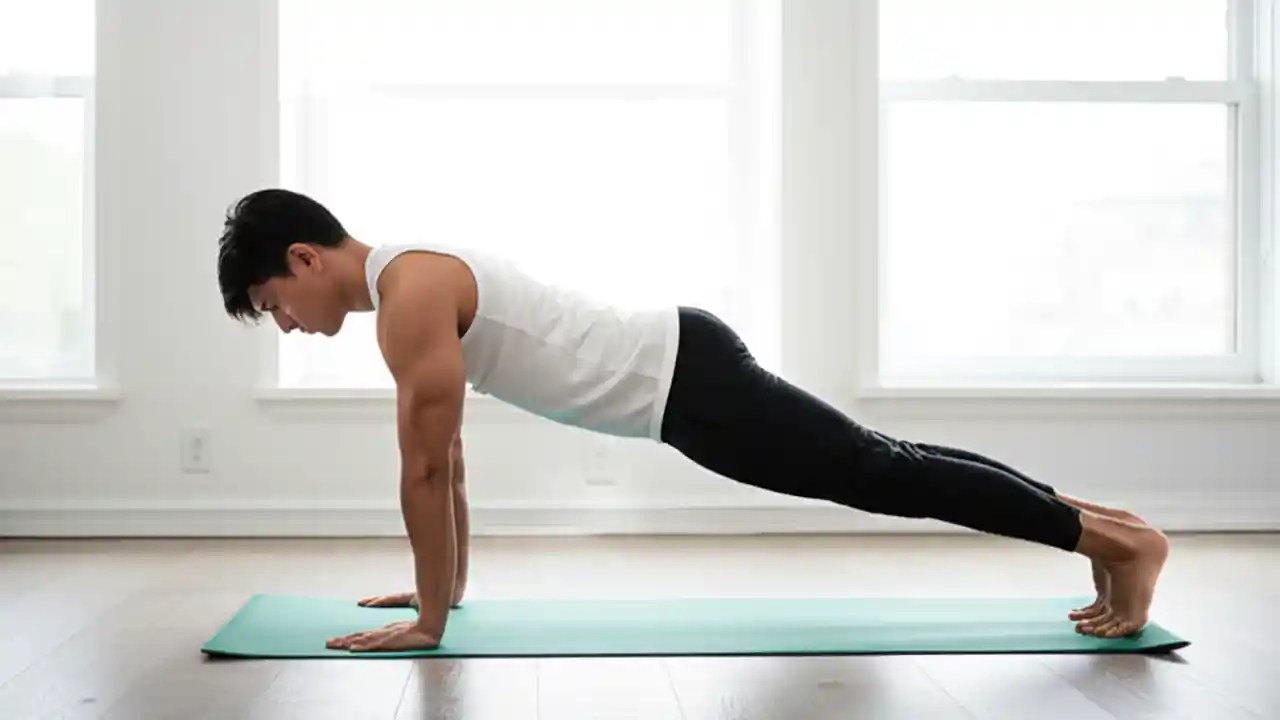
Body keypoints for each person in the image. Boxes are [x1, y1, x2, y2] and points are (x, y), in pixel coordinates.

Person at [216, 188, 1170, 653]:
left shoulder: (410, 294)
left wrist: (428, 624)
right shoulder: (411, 283)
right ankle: (1106, 533)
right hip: (686, 380)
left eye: (273, 304)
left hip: (689, 385)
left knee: (887, 473)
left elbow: (426, 472)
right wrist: (443, 598)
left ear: (303, 258)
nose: (288, 327)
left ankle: (1119, 543)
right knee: (891, 464)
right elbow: (448, 462)